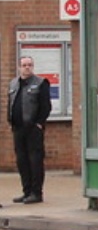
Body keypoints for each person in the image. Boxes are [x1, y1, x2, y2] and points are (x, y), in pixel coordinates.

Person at [9, 55, 52, 204]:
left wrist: (39, 123)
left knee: (35, 161)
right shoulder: (14, 83)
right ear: (19, 67)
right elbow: (11, 102)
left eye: (30, 65)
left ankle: (36, 193)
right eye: (24, 65)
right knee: (22, 161)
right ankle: (26, 191)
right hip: (18, 128)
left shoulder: (40, 83)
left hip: (33, 129)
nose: (27, 67)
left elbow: (46, 106)